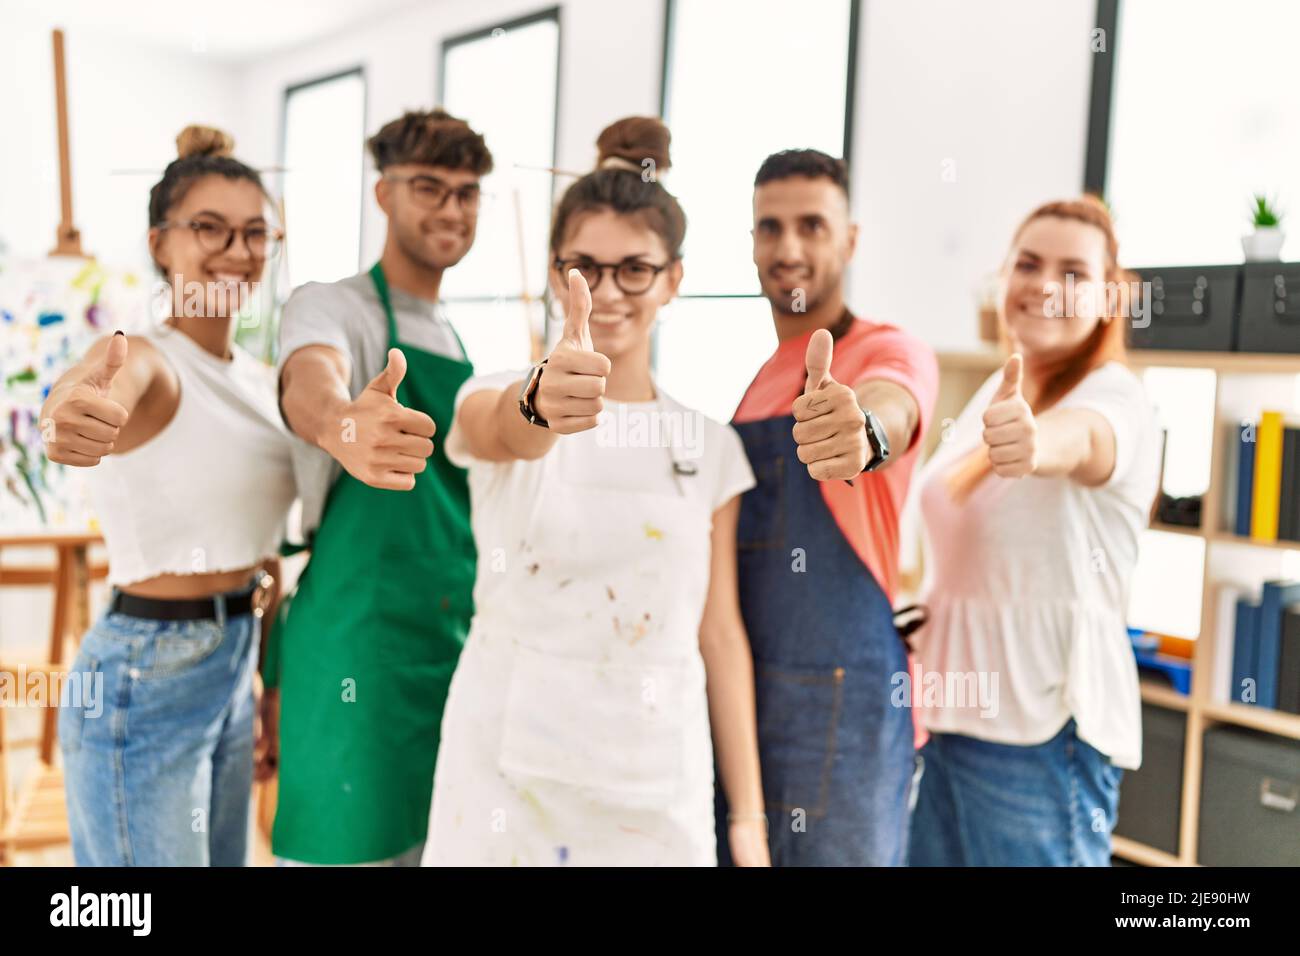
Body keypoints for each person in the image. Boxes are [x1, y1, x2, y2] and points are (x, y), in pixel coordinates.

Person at [423, 117, 769, 867]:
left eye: (634, 269)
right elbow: (505, 429)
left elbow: (720, 635)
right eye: (585, 267)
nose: (608, 292)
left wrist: (749, 817)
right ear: (557, 274)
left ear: (673, 278)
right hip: (505, 778)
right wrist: (541, 401)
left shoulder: (710, 448)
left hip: (654, 784)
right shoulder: (497, 397)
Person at [48, 125, 295, 866]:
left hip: (233, 664)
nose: (237, 249)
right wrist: (70, 412)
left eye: (255, 233)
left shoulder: (257, 376)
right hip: (144, 674)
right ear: (162, 244)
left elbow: (267, 558)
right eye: (209, 228)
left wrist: (267, 686)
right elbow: (97, 386)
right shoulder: (149, 358)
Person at [908, 197, 1161, 867]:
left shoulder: (1115, 398)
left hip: (1042, 737)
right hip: (947, 723)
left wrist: (1035, 442)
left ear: (1111, 294)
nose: (1046, 285)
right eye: (1028, 264)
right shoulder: (997, 385)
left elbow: (1081, 443)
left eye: (1074, 273)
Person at [269, 108, 492, 865]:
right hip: (356, 648)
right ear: (384, 194)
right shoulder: (333, 306)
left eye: (467, 192)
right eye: (429, 186)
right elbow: (310, 379)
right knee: (348, 846)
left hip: (448, 640)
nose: (451, 208)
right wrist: (341, 424)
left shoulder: (462, 340)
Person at [716, 149, 939, 866]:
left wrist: (862, 432)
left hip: (847, 725)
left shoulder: (886, 350)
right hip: (747, 719)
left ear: (850, 239)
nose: (788, 248)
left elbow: (894, 405)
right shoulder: (752, 388)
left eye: (813, 225)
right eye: (769, 227)